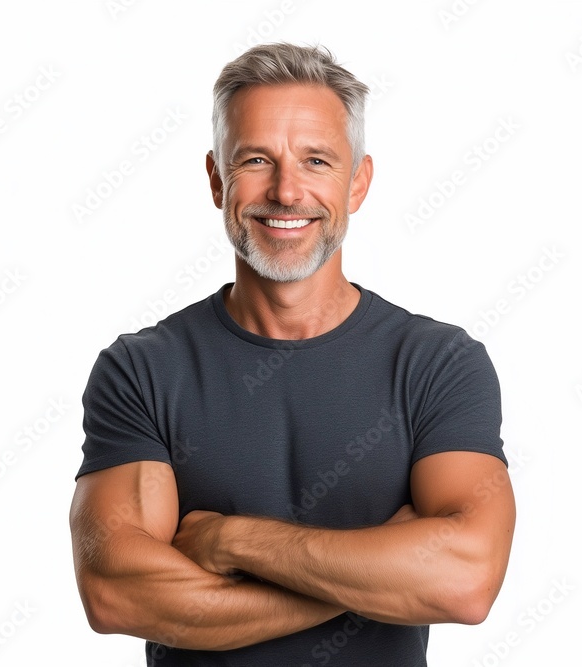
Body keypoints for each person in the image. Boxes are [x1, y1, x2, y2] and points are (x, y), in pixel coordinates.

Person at [69, 42, 516, 666]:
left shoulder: (437, 364)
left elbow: (465, 580)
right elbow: (116, 594)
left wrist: (233, 540)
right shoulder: (142, 370)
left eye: (316, 161)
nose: (286, 191)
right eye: (256, 159)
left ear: (357, 182)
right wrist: (379, 576)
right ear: (217, 179)